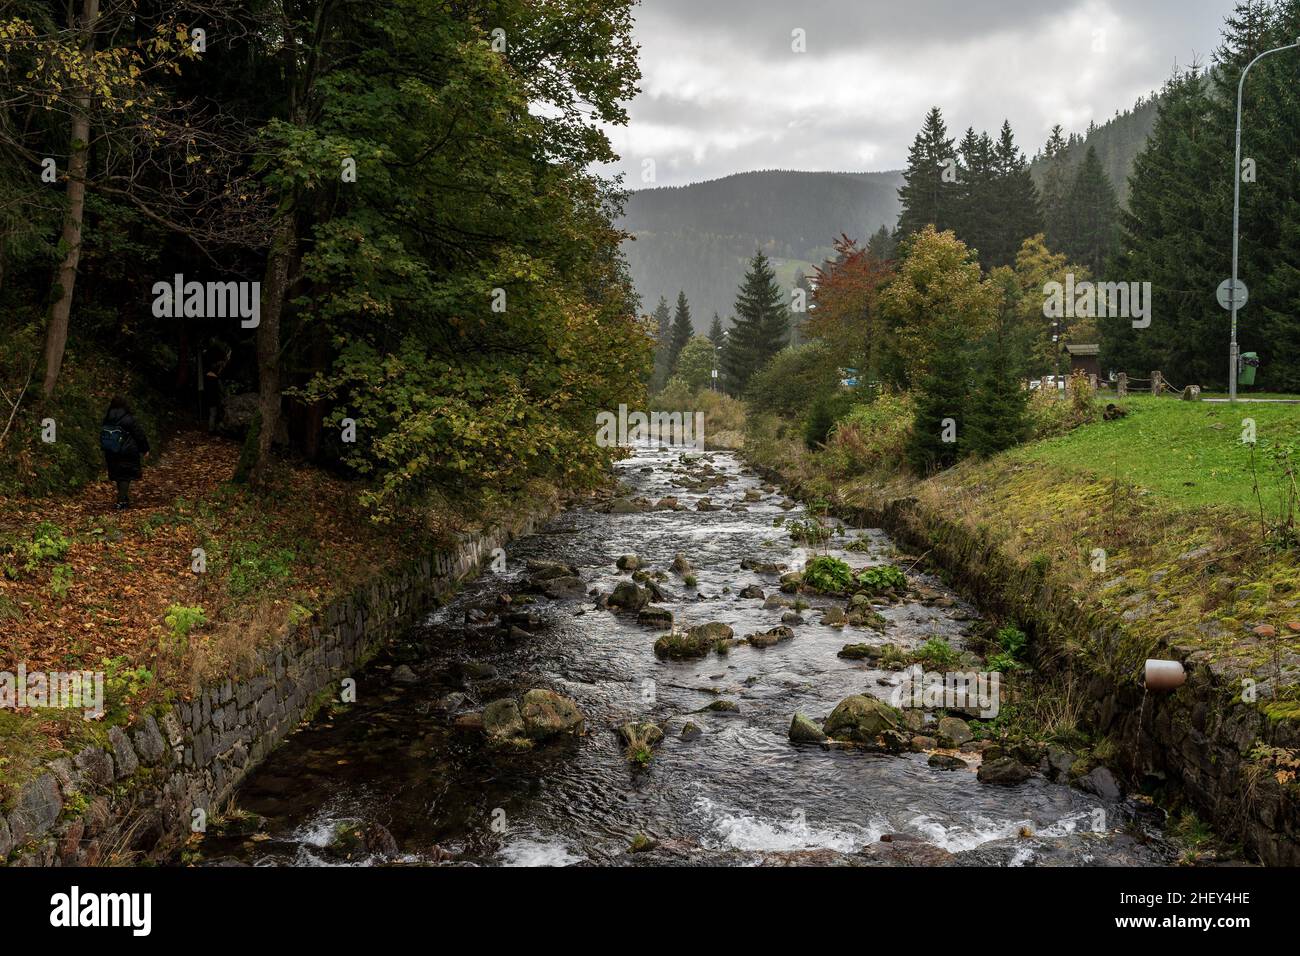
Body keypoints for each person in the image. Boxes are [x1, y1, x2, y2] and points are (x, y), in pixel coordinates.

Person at [100, 397, 150, 509]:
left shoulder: (108, 418)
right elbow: (139, 434)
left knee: (119, 475)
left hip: (111, 450)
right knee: (125, 476)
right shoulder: (128, 419)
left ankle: (124, 498)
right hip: (127, 451)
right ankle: (121, 501)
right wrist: (145, 449)